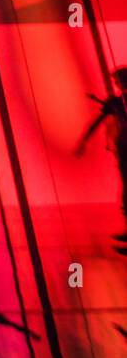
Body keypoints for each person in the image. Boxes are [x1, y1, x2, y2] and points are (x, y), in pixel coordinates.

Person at [76, 66, 127, 243]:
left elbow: (96, 123)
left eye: (117, 81)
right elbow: (96, 122)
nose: (117, 84)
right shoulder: (116, 103)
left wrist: (84, 140)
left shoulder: (116, 103)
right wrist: (84, 140)